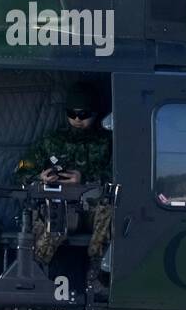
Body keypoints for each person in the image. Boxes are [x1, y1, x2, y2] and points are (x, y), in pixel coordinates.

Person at [14, 82, 113, 265]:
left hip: (92, 209)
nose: (77, 119)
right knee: (52, 220)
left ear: (95, 114)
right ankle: (34, 271)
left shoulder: (107, 142)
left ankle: (98, 272)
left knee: (109, 210)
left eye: (83, 114)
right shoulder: (52, 141)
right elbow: (21, 169)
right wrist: (40, 177)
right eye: (72, 114)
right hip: (62, 208)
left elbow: (120, 175)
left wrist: (84, 180)